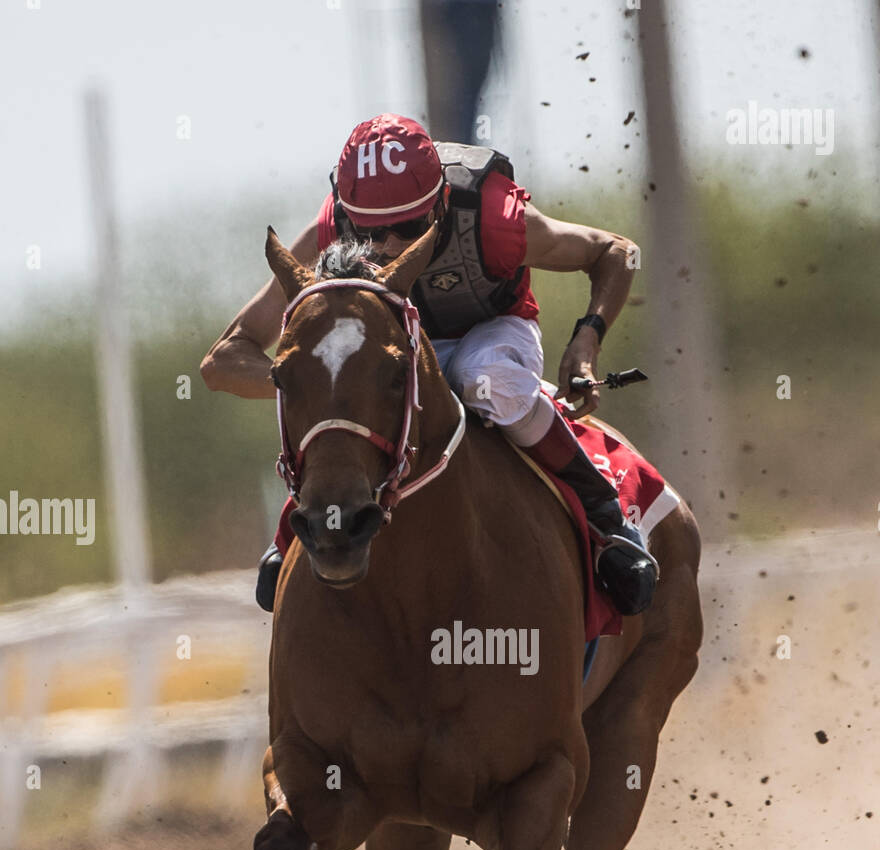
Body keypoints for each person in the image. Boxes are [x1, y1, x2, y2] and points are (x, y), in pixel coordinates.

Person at [201, 113, 658, 614]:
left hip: (493, 330)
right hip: (396, 350)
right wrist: (317, 384)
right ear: (346, 216)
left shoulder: (494, 218)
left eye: (408, 227)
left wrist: (586, 341)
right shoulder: (328, 228)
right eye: (368, 232)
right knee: (360, 392)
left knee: (482, 380)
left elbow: (619, 252)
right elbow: (223, 360)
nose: (387, 246)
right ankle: (293, 525)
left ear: (441, 202)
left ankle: (607, 521)